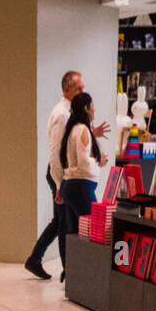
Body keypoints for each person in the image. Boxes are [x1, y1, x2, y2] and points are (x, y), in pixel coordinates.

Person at [25, 71, 108, 282]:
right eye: (78, 88)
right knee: (65, 224)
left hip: (66, 177)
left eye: (82, 88)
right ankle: (66, 270)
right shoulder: (62, 114)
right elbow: (57, 152)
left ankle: (40, 260)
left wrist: (91, 133)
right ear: (66, 89)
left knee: (62, 221)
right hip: (62, 176)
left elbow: (72, 142)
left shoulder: (71, 116)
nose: (82, 91)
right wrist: (59, 184)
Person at [59, 92, 106, 241]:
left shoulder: (72, 129)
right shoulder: (83, 130)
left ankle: (71, 265)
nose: (94, 110)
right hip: (81, 186)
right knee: (94, 231)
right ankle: (91, 264)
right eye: (92, 106)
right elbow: (84, 163)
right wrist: (99, 161)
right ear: (86, 108)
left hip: (70, 185)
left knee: (74, 234)